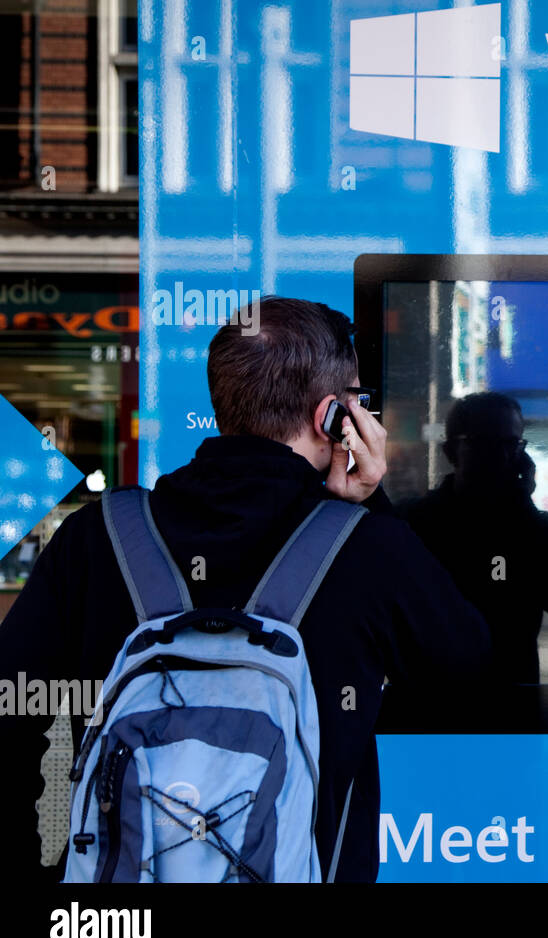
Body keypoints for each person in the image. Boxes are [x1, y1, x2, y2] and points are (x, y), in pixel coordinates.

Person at [0, 296, 490, 882]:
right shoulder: (367, 549)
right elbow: (471, 669)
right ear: (332, 417)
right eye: (358, 402)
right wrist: (373, 498)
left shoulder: (97, 537)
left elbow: (9, 710)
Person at [384, 392, 548, 731]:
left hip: (513, 711)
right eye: (485, 443)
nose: (502, 456)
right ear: (451, 452)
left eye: (512, 444)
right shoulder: (415, 524)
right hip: (430, 714)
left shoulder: (534, 527)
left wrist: (523, 506)